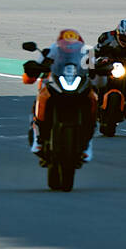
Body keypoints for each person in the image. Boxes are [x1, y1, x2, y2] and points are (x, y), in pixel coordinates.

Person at [23, 29, 97, 164]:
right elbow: (29, 78)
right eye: (67, 46)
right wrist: (32, 71)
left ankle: (87, 142)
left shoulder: (87, 52)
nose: (69, 48)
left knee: (93, 97)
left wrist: (102, 70)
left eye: (73, 46)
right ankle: (38, 138)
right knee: (41, 97)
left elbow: (95, 73)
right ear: (60, 45)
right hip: (54, 85)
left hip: (78, 85)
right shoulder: (51, 51)